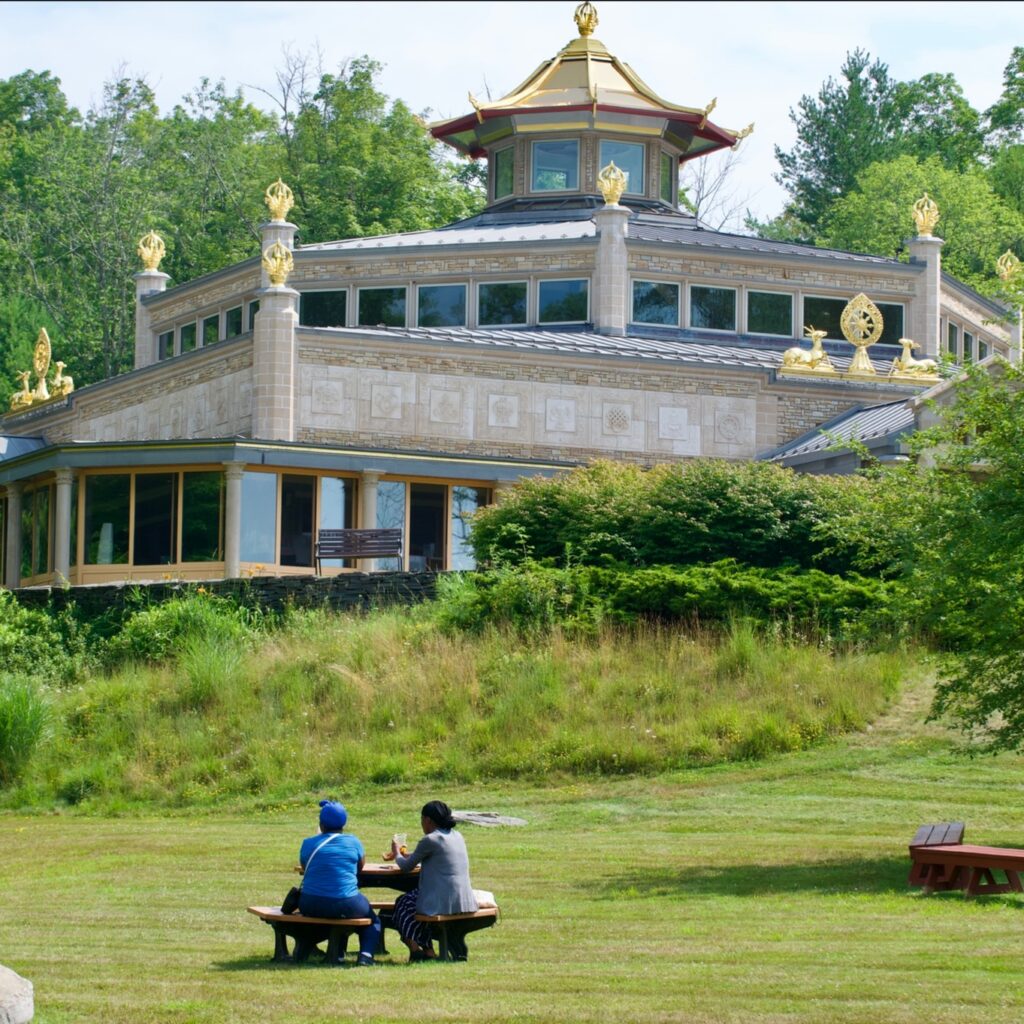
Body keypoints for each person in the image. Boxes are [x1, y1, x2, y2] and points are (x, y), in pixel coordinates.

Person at [387, 799, 478, 962]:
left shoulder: (430, 839)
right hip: (464, 899)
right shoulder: (457, 836)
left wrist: (397, 853)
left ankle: (416, 949)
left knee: (403, 903)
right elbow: (437, 857)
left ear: (428, 820)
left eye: (422, 820)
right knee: (412, 901)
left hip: (442, 901)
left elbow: (406, 867)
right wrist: (411, 855)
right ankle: (427, 950)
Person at [297, 799, 381, 966]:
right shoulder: (353, 842)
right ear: (344, 823)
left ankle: (332, 951)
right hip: (345, 903)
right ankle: (365, 956)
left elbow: (305, 867)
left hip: (310, 903)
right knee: (374, 919)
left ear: (321, 823)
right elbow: (360, 867)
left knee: (332, 916)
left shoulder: (308, 843)